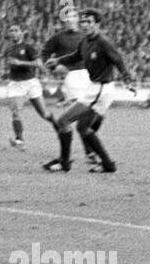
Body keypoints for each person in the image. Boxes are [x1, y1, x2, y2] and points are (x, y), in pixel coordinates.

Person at [44, 9, 135, 174]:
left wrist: (127, 79)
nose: (84, 25)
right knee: (82, 128)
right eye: (83, 22)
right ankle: (107, 164)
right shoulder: (85, 42)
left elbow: (118, 60)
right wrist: (57, 60)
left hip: (102, 89)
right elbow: (75, 56)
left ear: (97, 24)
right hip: (95, 88)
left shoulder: (103, 42)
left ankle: (65, 162)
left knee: (63, 121)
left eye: (89, 22)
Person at [40, 4, 100, 162]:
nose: (71, 20)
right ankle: (88, 151)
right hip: (71, 76)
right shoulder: (58, 38)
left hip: (88, 76)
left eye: (74, 17)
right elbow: (45, 53)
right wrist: (55, 67)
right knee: (82, 111)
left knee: (92, 113)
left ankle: (87, 149)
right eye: (68, 18)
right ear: (64, 21)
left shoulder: (85, 35)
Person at [2, 24, 51, 149]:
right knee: (15, 112)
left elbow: (39, 64)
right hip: (15, 84)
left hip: (30, 82)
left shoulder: (28, 47)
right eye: (11, 30)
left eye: (15, 30)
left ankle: (59, 126)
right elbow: (9, 65)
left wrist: (20, 63)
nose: (13, 32)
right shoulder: (8, 50)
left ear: (21, 33)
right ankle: (19, 139)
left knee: (44, 114)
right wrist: (6, 71)